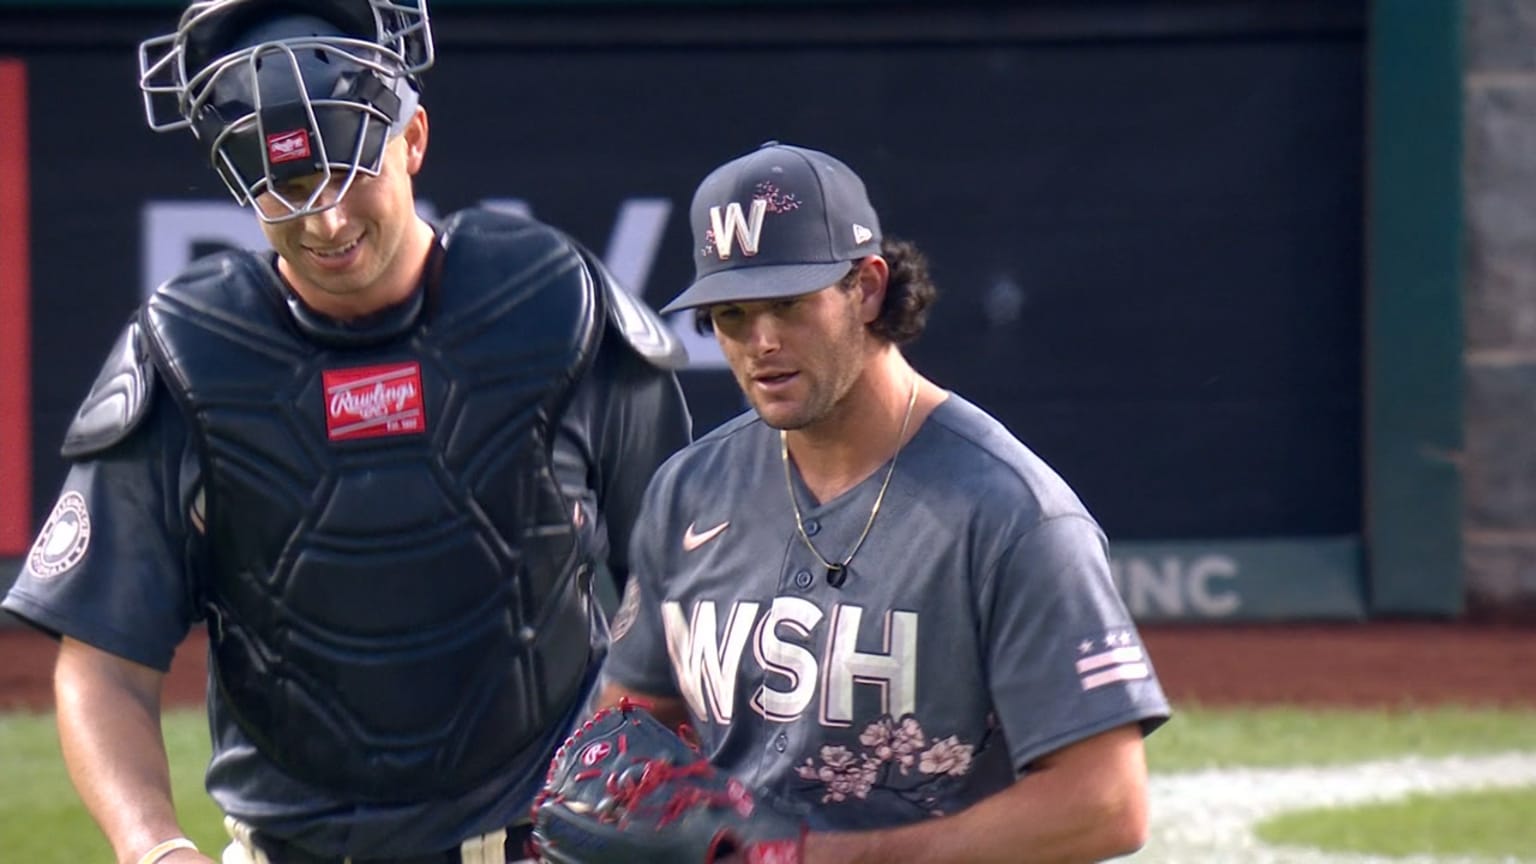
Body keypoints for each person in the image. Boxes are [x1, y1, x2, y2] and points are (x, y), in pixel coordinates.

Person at [2, 2, 691, 863]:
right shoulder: (185, 355)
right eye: (287, 187)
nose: (325, 223)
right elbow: (103, 662)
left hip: (540, 841)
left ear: (412, 140)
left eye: (349, 171)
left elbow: (683, 597)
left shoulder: (557, 309)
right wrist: (154, 848)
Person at [595, 141, 1170, 863]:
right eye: (733, 314)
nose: (761, 341)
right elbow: (633, 721)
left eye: (787, 304)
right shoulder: (688, 492)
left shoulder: (1010, 515)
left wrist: (833, 859)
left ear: (867, 287)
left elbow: (1107, 806)